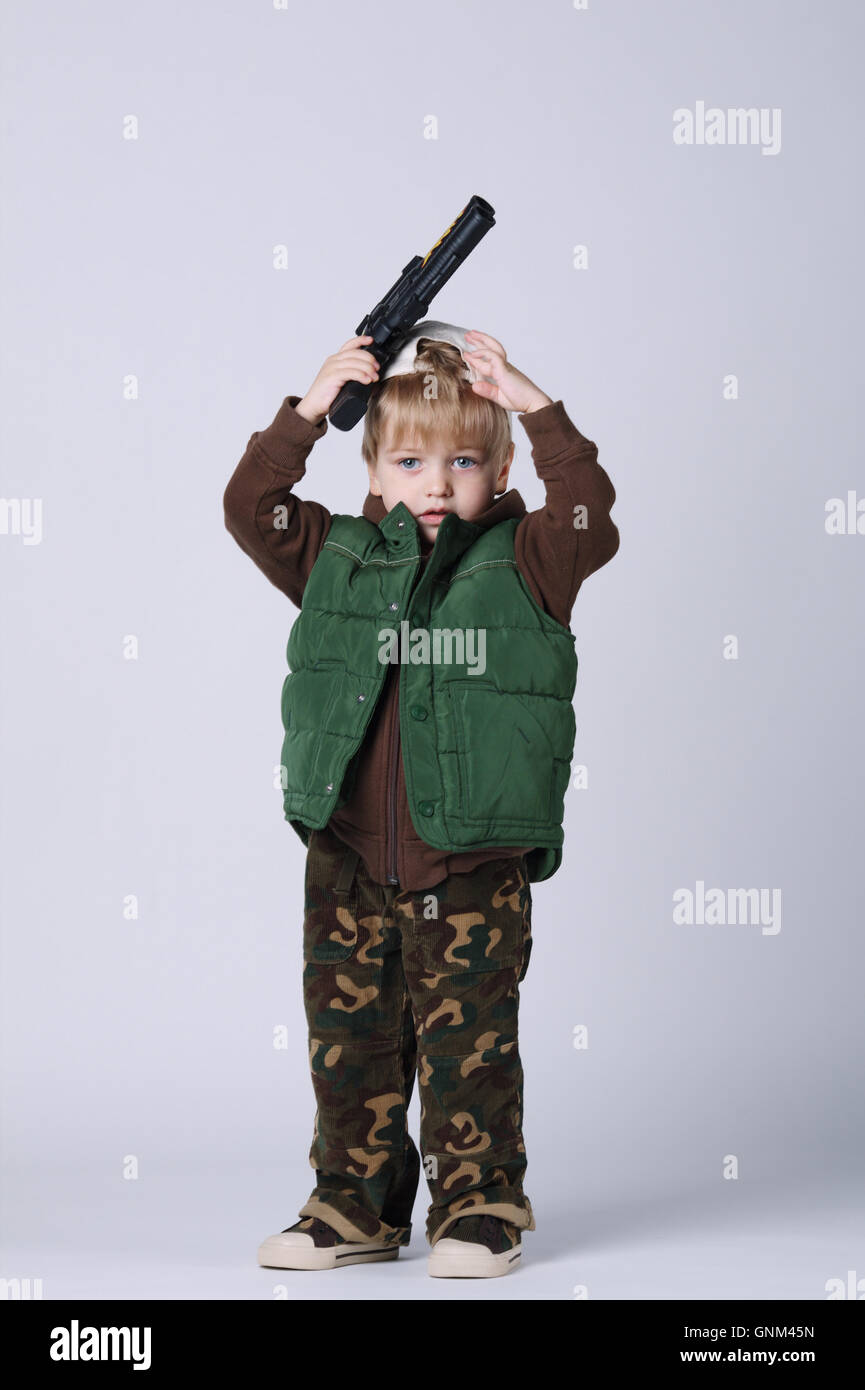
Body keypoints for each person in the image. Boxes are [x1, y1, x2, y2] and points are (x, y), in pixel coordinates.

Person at [222, 321, 620, 1277]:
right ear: (372, 464)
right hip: (349, 850)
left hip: (470, 857)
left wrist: (534, 402)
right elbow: (250, 506)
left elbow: (589, 514)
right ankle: (351, 1205)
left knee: (467, 1048)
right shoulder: (335, 554)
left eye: (465, 463)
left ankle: (480, 1207)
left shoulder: (529, 559)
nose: (436, 485)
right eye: (409, 461)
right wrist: (307, 411)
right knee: (348, 1041)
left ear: (501, 466)